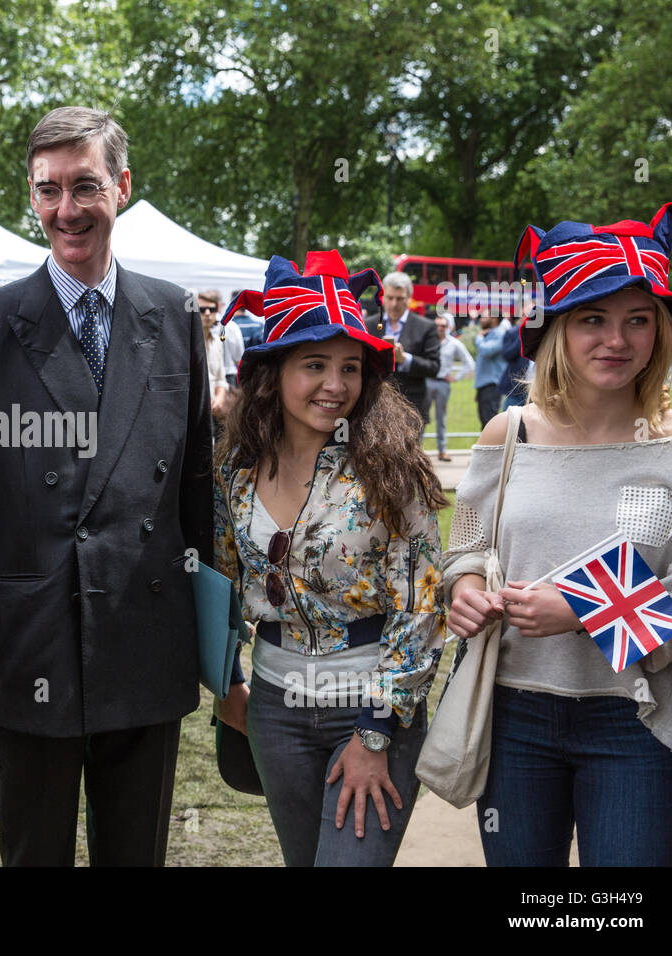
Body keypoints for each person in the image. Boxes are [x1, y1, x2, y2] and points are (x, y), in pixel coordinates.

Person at [0, 107, 213, 866]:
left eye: (85, 186)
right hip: (31, 643)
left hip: (146, 635)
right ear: (31, 195)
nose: (66, 209)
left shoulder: (174, 315)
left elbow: (197, 489)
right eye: (47, 189)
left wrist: (213, 639)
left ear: (121, 187)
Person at [445, 203, 672, 866]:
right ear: (557, 329)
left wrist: (585, 608)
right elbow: (465, 547)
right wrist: (464, 590)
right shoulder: (509, 433)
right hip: (512, 715)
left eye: (638, 319)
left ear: (661, 330)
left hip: (637, 720)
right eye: (592, 319)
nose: (617, 339)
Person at [214, 251, 446, 866]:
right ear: (274, 373)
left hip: (372, 708)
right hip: (274, 710)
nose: (335, 385)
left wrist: (376, 731)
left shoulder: (391, 470)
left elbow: (422, 605)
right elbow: (220, 583)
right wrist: (226, 682)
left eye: (350, 367)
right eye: (314, 365)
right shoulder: (237, 472)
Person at [369, 271, 440, 427]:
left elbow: (434, 367)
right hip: (373, 406)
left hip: (411, 408)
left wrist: (404, 359)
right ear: (382, 297)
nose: (394, 304)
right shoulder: (368, 325)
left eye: (399, 298)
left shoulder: (426, 327)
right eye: (390, 298)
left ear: (409, 298)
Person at [426, 311, 475, 461]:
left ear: (448, 327)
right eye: (437, 325)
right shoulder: (428, 341)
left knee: (441, 418)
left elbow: (469, 363)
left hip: (443, 383)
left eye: (443, 325)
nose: (440, 328)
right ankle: (417, 450)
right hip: (427, 382)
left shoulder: (454, 343)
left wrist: (456, 377)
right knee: (421, 416)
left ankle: (442, 450)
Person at [472, 306, 511, 426]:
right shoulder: (489, 334)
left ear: (494, 318)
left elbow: (486, 350)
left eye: (484, 317)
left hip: (492, 385)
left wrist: (478, 337)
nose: (480, 319)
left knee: (489, 422)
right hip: (485, 385)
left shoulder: (501, 334)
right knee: (484, 421)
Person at [199, 289, 230, 417]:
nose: (207, 313)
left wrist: (219, 398)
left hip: (212, 411)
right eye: (202, 310)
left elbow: (220, 379)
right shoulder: (184, 343)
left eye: (212, 309)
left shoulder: (217, 342)